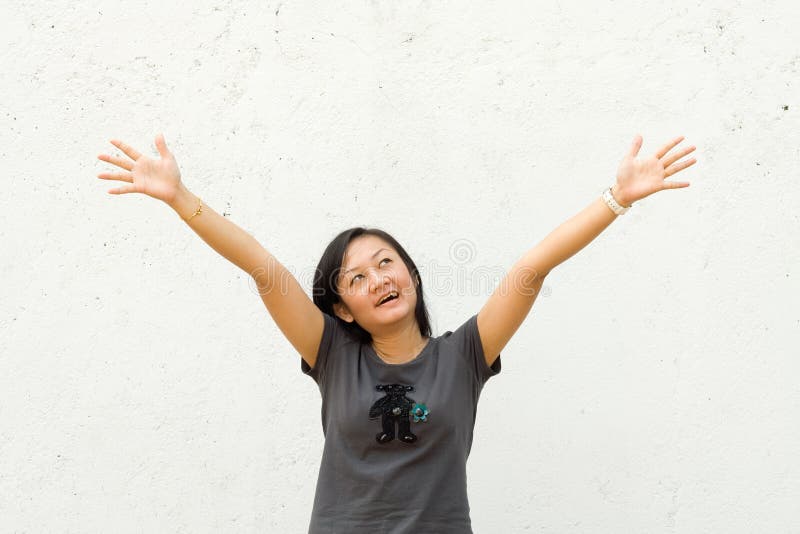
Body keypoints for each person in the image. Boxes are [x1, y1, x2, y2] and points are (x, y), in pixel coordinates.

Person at [96, 133, 696, 532]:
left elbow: (530, 270)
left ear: (409, 273)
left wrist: (617, 198)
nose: (379, 278)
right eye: (356, 277)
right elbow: (262, 268)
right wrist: (180, 198)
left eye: (386, 262)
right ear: (344, 308)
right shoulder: (332, 355)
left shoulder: (464, 354)